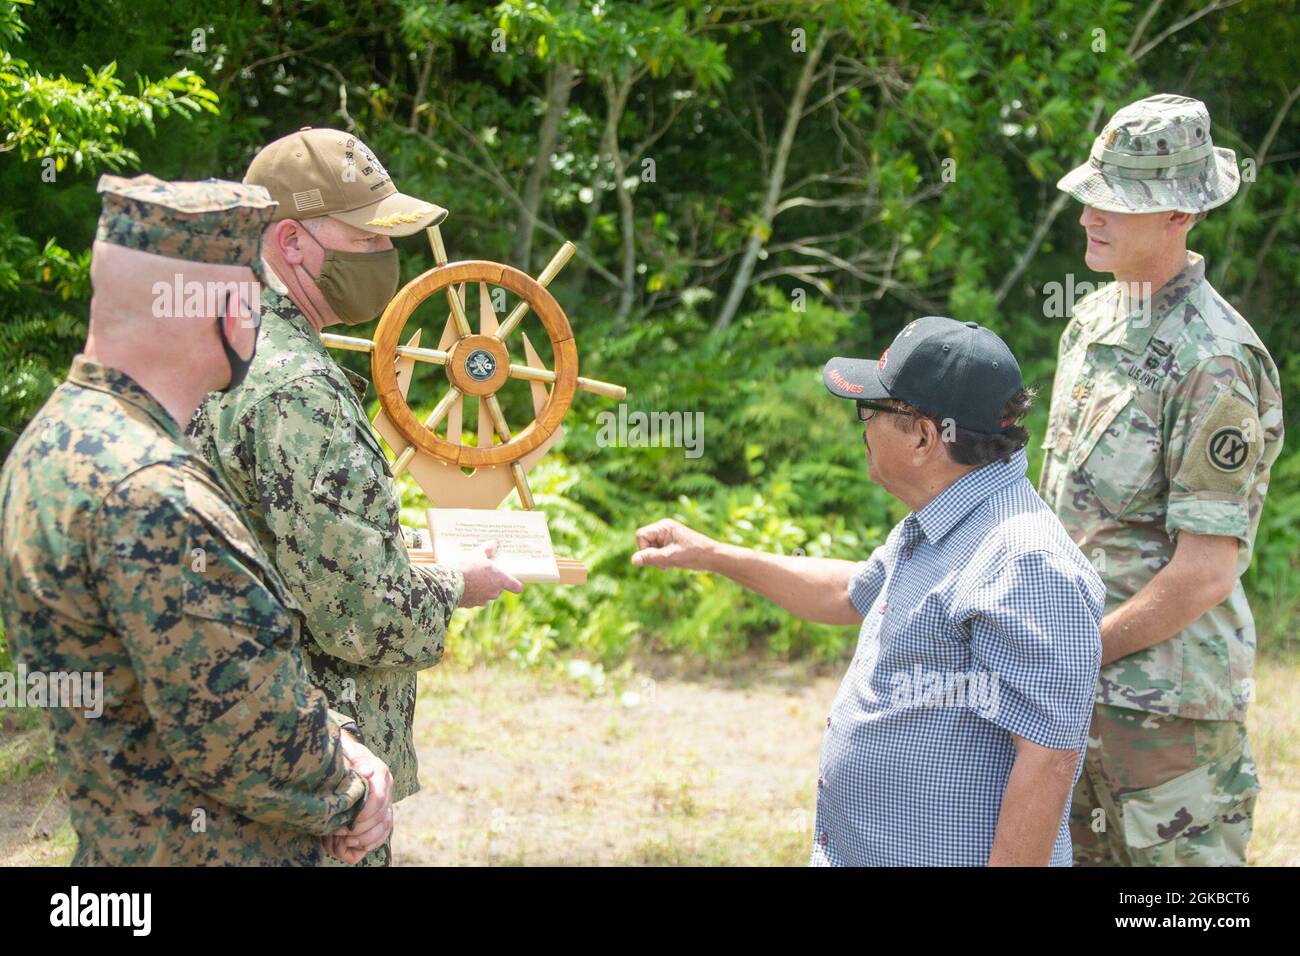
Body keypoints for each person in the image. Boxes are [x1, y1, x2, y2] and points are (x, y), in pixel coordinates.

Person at [0, 174, 393, 865]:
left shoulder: (56, 438)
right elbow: (246, 742)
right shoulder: (156, 496)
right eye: (250, 294)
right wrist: (356, 791)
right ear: (225, 308)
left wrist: (333, 737)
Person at [633, 317, 1104, 865]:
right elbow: (851, 594)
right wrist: (710, 554)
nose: (863, 428)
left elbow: (1049, 759)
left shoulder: (1027, 562)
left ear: (926, 438)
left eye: (872, 411)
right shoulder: (946, 517)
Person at [187, 128, 521, 866]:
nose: (384, 260)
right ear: (292, 243)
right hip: (309, 774)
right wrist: (458, 584)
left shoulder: (211, 342)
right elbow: (360, 616)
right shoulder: (296, 386)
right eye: (367, 238)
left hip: (226, 746)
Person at [1045, 93, 1284, 866]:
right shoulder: (1091, 323)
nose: (1091, 217)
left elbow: (1205, 573)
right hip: (1076, 692)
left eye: (1117, 203)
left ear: (1180, 215)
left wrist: (1076, 651)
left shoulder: (1213, 359)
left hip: (1168, 712)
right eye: (1090, 197)